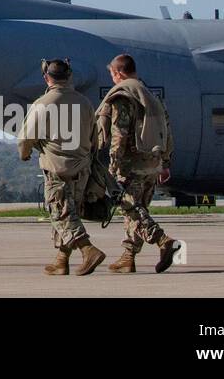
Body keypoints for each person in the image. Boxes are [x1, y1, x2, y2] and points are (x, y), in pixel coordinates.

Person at [95, 53, 184, 273]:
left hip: (131, 164)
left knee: (131, 209)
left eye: (113, 75)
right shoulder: (150, 96)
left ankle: (164, 241)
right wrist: (164, 162)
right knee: (138, 210)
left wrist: (113, 167)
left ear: (119, 73)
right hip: (152, 163)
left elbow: (119, 134)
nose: (113, 80)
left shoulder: (123, 96)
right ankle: (128, 257)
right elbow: (167, 131)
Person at [18, 58, 105, 276]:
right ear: (70, 76)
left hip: (57, 168)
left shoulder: (43, 104)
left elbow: (25, 139)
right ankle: (61, 260)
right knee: (69, 212)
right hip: (82, 168)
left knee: (60, 214)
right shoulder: (84, 102)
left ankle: (88, 250)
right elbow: (95, 138)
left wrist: (25, 154)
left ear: (47, 77)